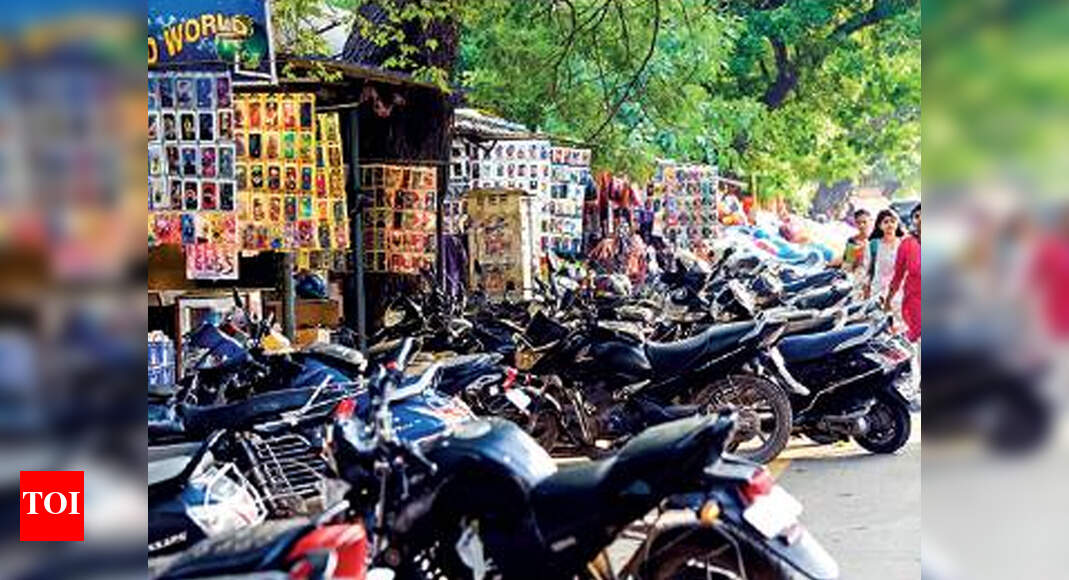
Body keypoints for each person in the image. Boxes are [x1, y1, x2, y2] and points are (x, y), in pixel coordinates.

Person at [886, 204, 921, 342]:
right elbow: (898, 276)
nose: (920, 219)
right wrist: (888, 300)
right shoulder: (907, 244)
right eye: (916, 216)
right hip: (914, 300)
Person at [867, 209, 904, 302]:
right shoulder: (874, 244)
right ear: (880, 225)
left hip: (900, 292)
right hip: (878, 290)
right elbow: (868, 269)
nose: (890, 224)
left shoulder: (904, 243)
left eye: (893, 221)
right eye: (886, 222)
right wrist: (866, 287)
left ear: (897, 224)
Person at [840, 209, 872, 293]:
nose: (862, 225)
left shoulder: (877, 241)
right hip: (857, 280)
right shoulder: (852, 242)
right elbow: (847, 265)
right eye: (858, 223)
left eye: (864, 222)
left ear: (871, 221)